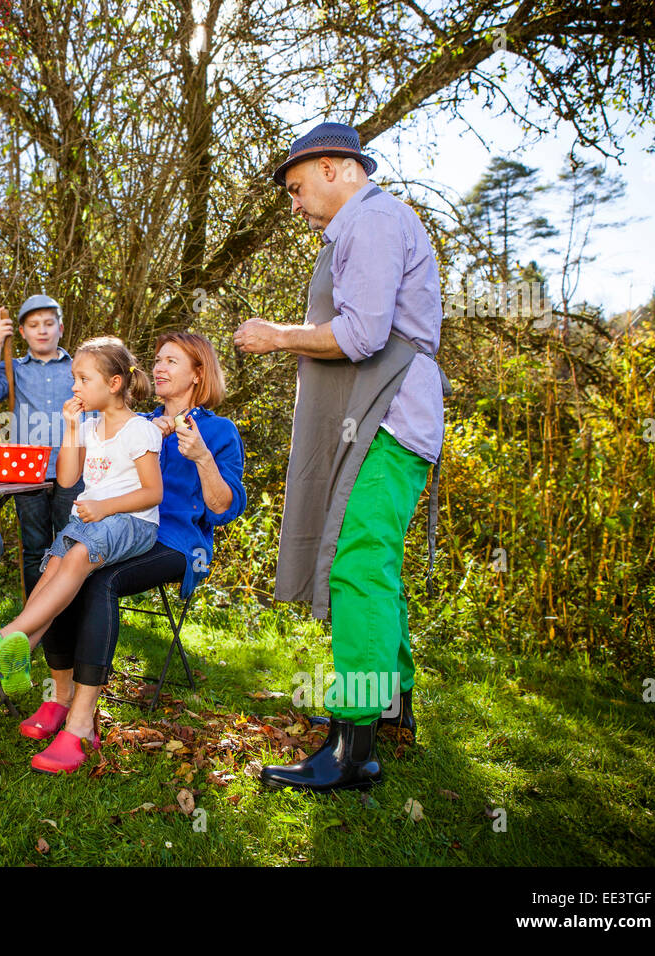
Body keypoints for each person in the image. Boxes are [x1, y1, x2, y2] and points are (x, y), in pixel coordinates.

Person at [234, 121, 450, 792]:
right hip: (390, 422)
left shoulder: (375, 221)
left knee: (357, 567)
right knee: (376, 565)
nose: (295, 204)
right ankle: (394, 708)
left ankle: (351, 749)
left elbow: (362, 334)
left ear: (335, 167)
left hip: (389, 421)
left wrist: (276, 337)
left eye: (297, 189)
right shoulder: (366, 224)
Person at [22, 332, 246, 773]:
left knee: (99, 580)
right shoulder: (136, 422)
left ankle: (82, 721)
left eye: (173, 362)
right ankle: (61, 695)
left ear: (198, 374)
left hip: (178, 543)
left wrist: (202, 458)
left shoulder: (218, 431)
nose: (160, 367)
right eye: (158, 359)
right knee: (61, 563)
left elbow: (224, 508)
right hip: (118, 530)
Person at [0, 336, 172, 773]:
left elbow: (153, 492)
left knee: (74, 561)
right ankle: (23, 646)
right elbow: (69, 477)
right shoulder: (91, 427)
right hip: (91, 521)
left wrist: (105, 507)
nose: (73, 387)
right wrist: (72, 429)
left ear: (114, 383)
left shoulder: (140, 429)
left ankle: (7, 635)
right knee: (51, 569)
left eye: (82, 379)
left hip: (133, 524)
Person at [0, 294, 84, 595]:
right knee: (36, 547)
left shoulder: (78, 368)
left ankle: (67, 613)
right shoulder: (14, 369)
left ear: (60, 328)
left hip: (72, 469)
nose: (42, 330)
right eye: (34, 325)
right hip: (28, 473)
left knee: (71, 544)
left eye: (49, 323)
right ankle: (35, 618)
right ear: (21, 332)